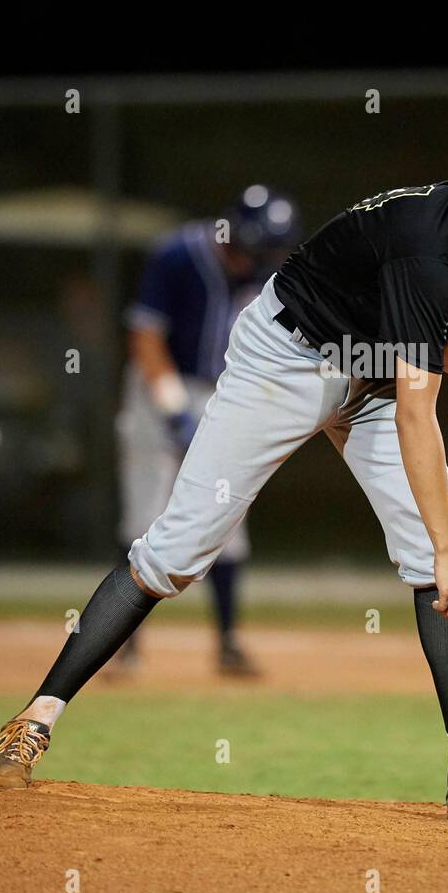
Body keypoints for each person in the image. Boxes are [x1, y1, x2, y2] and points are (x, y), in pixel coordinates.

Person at [0, 96, 448, 826]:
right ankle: (33, 722)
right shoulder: (427, 246)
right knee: (175, 552)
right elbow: (417, 412)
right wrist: (445, 550)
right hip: (286, 360)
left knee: (439, 559)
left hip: (367, 375)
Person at [114, 186, 301, 676]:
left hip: (223, 390)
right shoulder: (176, 255)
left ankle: (228, 643)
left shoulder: (268, 272)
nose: (259, 259)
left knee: (227, 518)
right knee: (144, 516)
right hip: (158, 386)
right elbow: (146, 338)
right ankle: (125, 644)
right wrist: (174, 410)